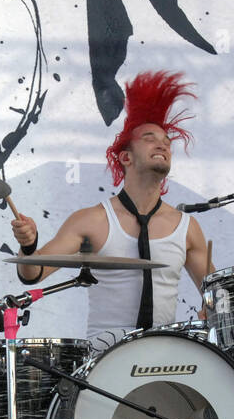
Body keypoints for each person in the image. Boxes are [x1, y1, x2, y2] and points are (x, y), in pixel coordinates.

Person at [11, 70, 214, 349]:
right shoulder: (91, 220)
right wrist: (29, 245)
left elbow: (218, 295)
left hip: (166, 357)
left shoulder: (187, 227)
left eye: (167, 141)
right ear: (125, 157)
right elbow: (32, 274)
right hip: (104, 358)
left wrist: (213, 308)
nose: (163, 144)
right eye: (150, 138)